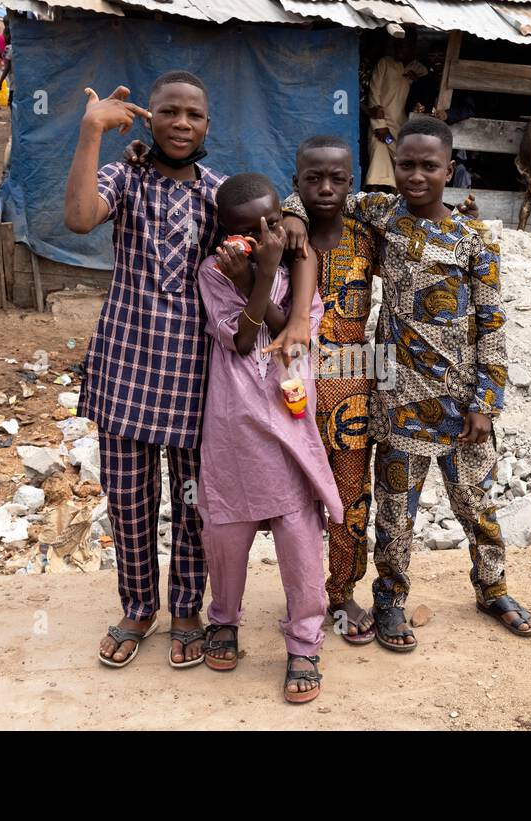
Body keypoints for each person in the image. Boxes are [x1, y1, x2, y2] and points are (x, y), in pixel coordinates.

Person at [62, 72, 316, 670]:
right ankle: (137, 607)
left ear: (208, 124)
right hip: (125, 363)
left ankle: (186, 610)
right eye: (169, 112)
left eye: (193, 115)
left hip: (198, 377)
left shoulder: (220, 193)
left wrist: (296, 239)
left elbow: (287, 230)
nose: (180, 124)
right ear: (148, 117)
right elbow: (77, 218)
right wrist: (90, 133)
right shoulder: (125, 178)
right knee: (128, 500)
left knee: (196, 504)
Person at [282, 117, 531, 653]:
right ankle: (390, 599)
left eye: (429, 166)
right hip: (397, 400)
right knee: (395, 514)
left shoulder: (474, 241)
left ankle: (493, 589)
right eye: (406, 165)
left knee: (477, 506)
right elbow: (315, 191)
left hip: (460, 403)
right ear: (392, 166)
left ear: (450, 170)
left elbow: (492, 324)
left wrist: (486, 403)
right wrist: (289, 214)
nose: (416, 175)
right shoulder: (379, 214)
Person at [196, 173, 341, 703]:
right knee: (226, 535)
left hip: (288, 427)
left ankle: (304, 642)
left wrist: (264, 274)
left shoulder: (298, 272)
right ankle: (224, 620)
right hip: (233, 429)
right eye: (250, 230)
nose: (266, 235)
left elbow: (288, 333)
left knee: (300, 539)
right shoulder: (213, 273)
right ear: (225, 233)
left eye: (274, 223)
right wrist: (249, 279)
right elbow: (238, 341)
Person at [291, 135, 379, 644]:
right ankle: (303, 593)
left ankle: (342, 592)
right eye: (312, 179)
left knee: (350, 498)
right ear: (296, 179)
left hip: (352, 386)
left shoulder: (368, 237)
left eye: (337, 179)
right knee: (294, 502)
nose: (325, 189)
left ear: (352, 181)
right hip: (289, 385)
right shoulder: (282, 235)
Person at [363, 33, 427, 191]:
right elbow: (374, 94)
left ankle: (398, 214)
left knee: (401, 173)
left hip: (403, 131)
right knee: (377, 176)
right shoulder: (384, 63)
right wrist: (380, 126)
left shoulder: (419, 70)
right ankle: (371, 211)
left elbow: (427, 91)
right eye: (396, 44)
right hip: (381, 131)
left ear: (413, 47)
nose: (398, 48)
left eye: (403, 45)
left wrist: (417, 79)